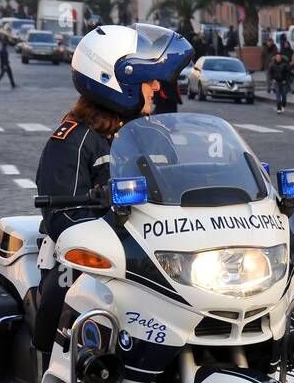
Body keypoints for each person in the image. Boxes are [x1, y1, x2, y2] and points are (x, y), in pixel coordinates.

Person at [32, 23, 195, 357]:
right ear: (116, 82)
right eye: (147, 80)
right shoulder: (73, 140)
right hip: (97, 258)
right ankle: (52, 369)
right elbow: (62, 220)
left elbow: (177, 193)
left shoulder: (155, 135)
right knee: (60, 292)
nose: (156, 87)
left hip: (155, 254)